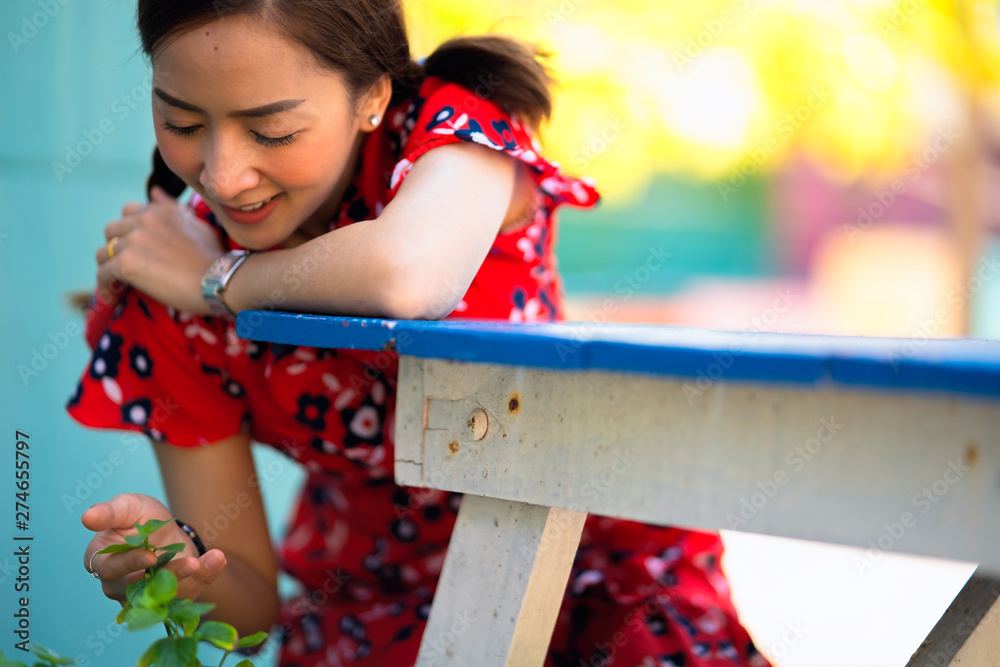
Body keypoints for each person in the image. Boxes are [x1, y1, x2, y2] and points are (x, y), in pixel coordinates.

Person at [67, 1, 772, 665]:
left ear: (373, 94)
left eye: (272, 130)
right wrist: (175, 561)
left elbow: (406, 273)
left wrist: (218, 280)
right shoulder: (162, 289)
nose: (222, 173)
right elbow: (247, 615)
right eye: (182, 122)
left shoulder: (449, 128)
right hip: (374, 601)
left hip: (602, 563)